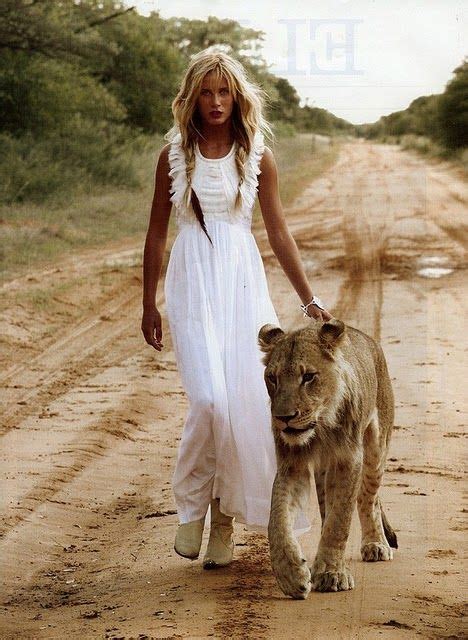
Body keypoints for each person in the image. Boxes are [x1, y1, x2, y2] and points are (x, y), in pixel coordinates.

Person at [141, 48, 332, 570]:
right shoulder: (175, 156)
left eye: (224, 92)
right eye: (206, 92)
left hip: (242, 284)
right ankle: (193, 506)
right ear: (192, 97)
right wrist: (148, 303)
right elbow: (157, 233)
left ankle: (224, 519)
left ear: (237, 96)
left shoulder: (258, 157)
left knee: (245, 407)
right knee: (208, 401)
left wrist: (308, 297)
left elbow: (278, 232)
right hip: (192, 282)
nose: (216, 102)